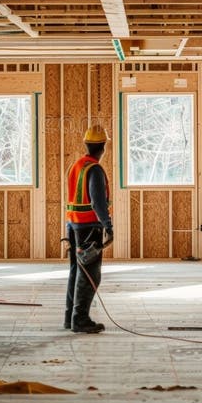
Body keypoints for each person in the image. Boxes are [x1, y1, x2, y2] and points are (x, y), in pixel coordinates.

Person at [64, 125, 113, 333]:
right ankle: (80, 319)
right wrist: (108, 225)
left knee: (77, 271)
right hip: (89, 228)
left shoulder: (76, 166)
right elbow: (97, 203)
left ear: (86, 144)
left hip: (73, 225)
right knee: (90, 274)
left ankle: (70, 317)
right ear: (103, 147)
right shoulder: (94, 169)